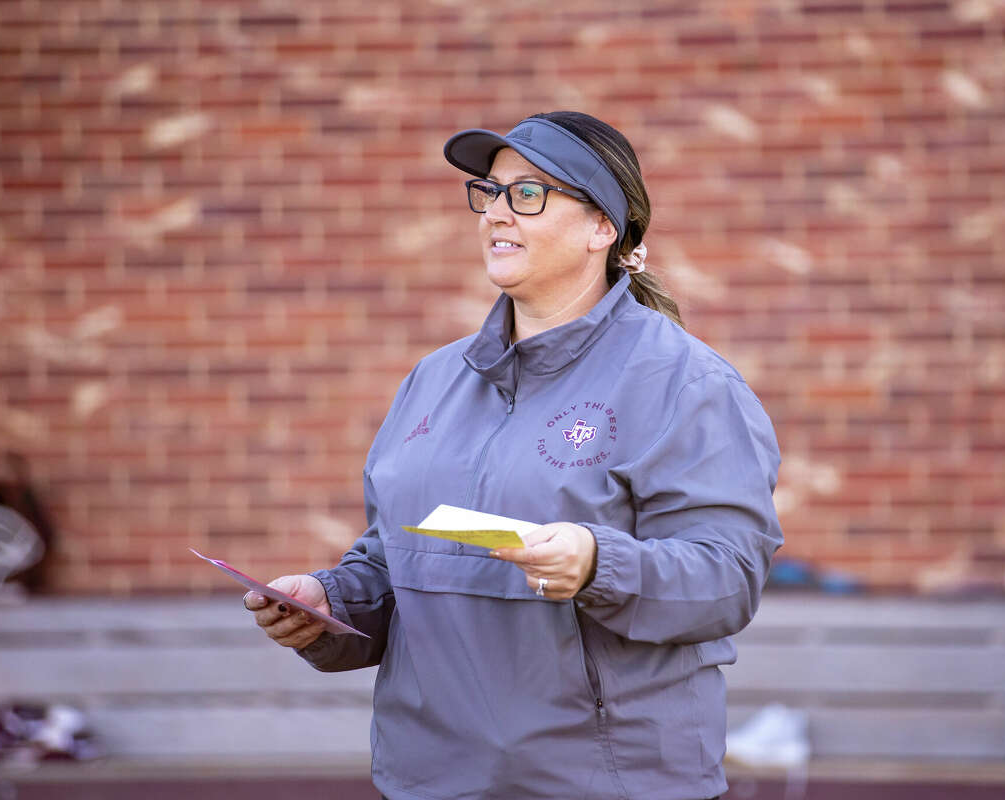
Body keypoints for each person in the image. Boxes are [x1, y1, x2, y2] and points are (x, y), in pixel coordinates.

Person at [245, 111, 783, 800]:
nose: (496, 213)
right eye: (490, 192)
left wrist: (597, 564)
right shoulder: (433, 381)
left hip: (606, 785)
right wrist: (328, 605)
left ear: (602, 227)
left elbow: (727, 578)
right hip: (428, 780)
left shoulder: (685, 383)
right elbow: (394, 560)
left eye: (528, 193)